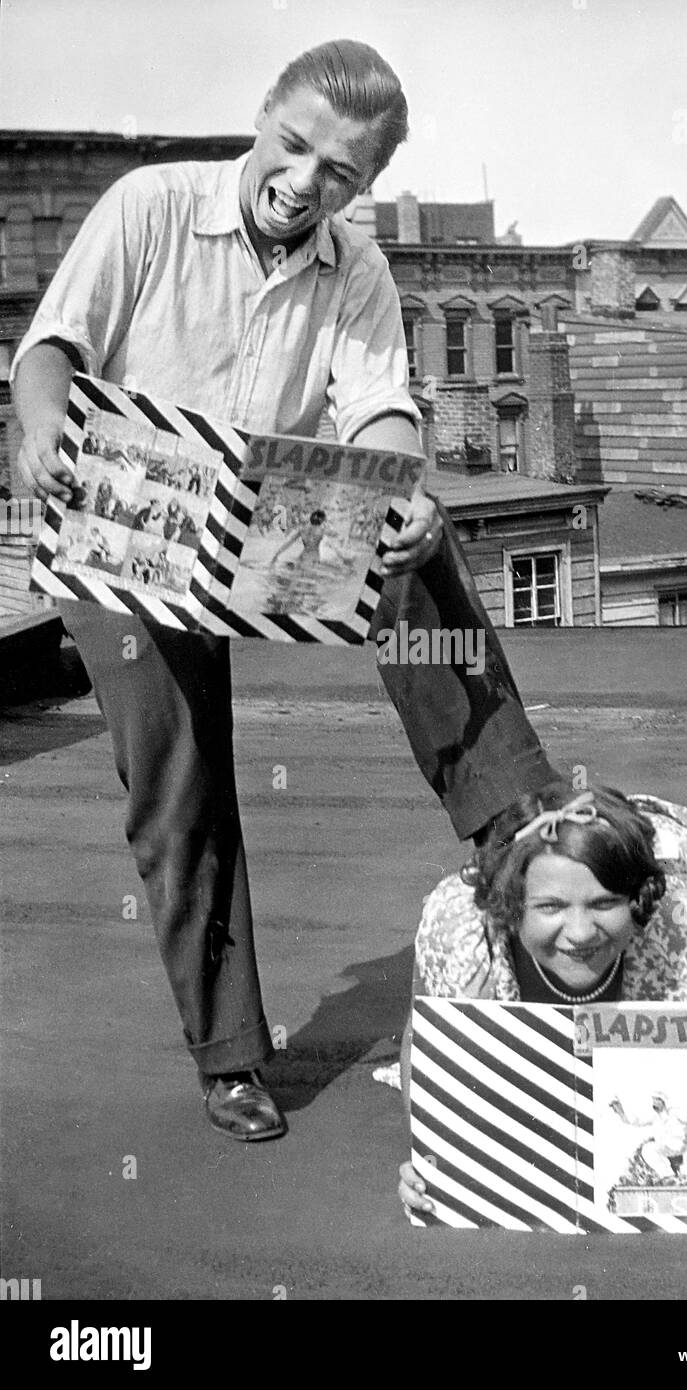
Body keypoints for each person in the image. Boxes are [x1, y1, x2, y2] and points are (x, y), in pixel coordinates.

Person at [11, 39, 556, 1143]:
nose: (304, 182)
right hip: (133, 520)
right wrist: (41, 429)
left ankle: (522, 832)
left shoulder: (357, 268)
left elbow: (377, 410)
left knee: (412, 544)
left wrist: (401, 489)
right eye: (295, 145)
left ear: (366, 184)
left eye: (339, 172)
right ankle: (230, 1056)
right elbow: (51, 346)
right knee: (178, 772)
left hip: (271, 517)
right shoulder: (150, 206)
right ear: (263, 115)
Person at [398, 783, 687, 1224]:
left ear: (636, 900)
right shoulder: (462, 931)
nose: (580, 933)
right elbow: (426, 1041)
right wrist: (433, 1161)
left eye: (604, 903)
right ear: (513, 905)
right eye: (551, 907)